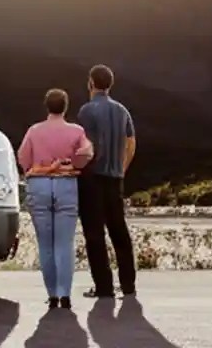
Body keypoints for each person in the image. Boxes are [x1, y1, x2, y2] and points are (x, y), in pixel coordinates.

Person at [17, 88, 94, 309]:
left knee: (45, 244)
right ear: (65, 106)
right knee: (64, 242)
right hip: (66, 185)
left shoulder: (34, 130)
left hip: (39, 184)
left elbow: (23, 158)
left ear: (46, 106)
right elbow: (86, 153)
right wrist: (70, 163)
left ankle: (51, 295)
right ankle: (65, 294)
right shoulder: (76, 131)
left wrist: (38, 168)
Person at [76, 64, 137, 298]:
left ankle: (104, 287)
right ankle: (128, 285)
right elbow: (131, 142)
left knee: (94, 234)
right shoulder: (122, 111)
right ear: (110, 85)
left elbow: (86, 148)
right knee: (119, 230)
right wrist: (122, 168)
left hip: (92, 178)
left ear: (91, 83)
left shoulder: (86, 111)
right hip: (115, 178)